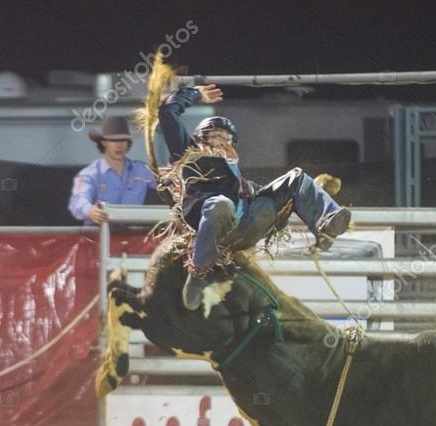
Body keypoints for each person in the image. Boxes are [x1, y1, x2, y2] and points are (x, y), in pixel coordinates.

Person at [158, 84, 351, 310]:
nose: (221, 141)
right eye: (214, 136)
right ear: (201, 139)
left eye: (226, 137)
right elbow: (167, 112)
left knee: (295, 178)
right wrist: (194, 94)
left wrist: (304, 194)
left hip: (246, 225)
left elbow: (272, 198)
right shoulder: (188, 152)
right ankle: (199, 272)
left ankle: (326, 224)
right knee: (220, 204)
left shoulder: (243, 183)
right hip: (211, 223)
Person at [68, 116, 157, 225]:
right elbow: (77, 200)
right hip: (98, 239)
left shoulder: (142, 171)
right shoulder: (89, 174)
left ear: (128, 142)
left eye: (123, 139)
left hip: (131, 238)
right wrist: (90, 210)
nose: (119, 145)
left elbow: (166, 183)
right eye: (114, 140)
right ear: (104, 142)